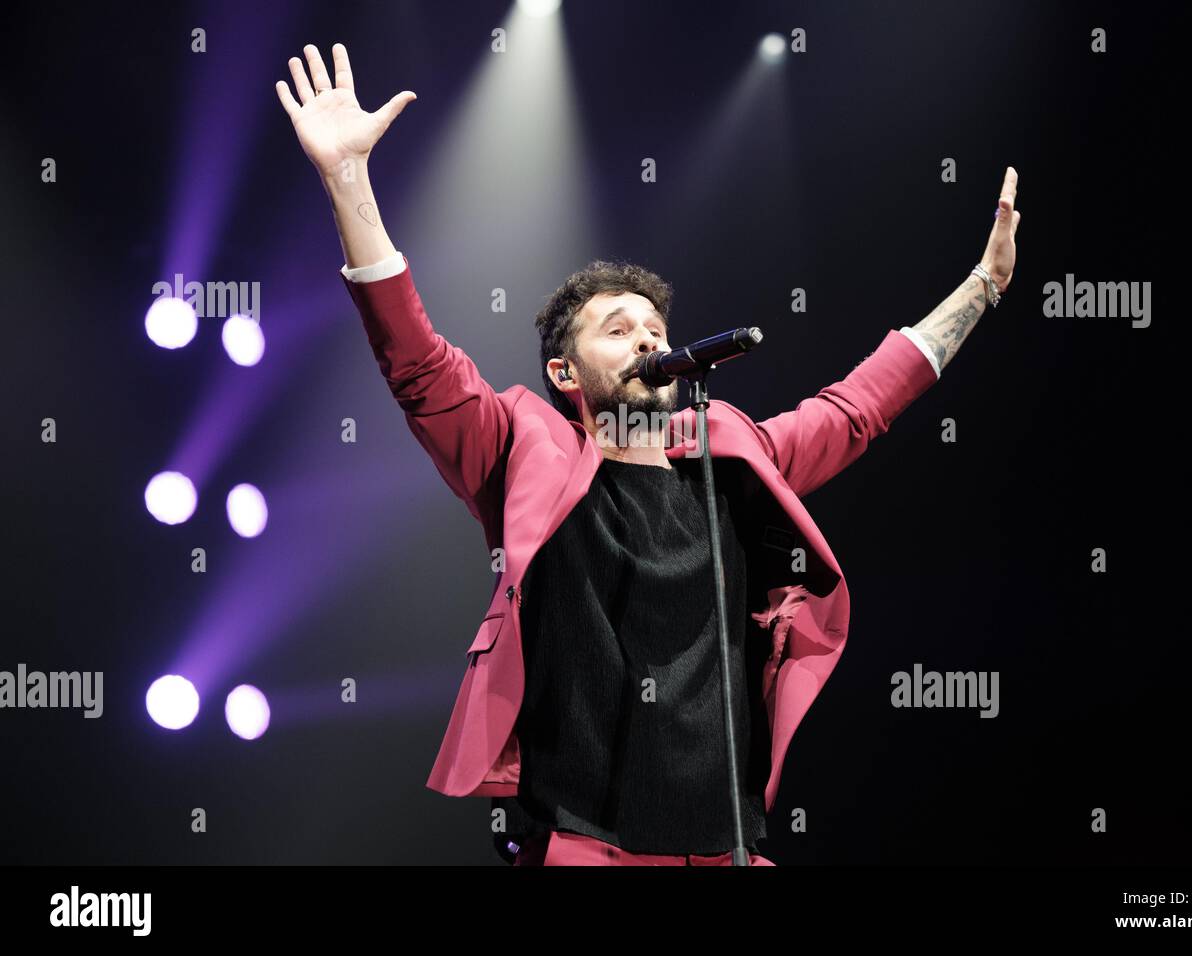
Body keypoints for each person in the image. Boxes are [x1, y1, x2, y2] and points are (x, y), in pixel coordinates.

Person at [276, 43, 1021, 866]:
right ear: (564, 371)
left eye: (657, 331)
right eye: (618, 329)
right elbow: (418, 367)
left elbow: (854, 409)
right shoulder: (524, 445)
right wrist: (348, 179)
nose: (648, 341)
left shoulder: (733, 459)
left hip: (726, 845)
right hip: (585, 844)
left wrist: (982, 287)